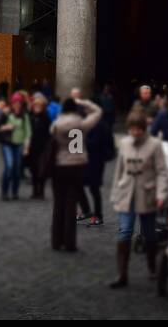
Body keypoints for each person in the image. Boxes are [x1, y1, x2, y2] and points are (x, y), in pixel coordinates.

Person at [108, 110, 168, 288]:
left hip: (147, 194)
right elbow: (119, 170)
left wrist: (161, 194)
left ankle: (152, 268)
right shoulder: (125, 143)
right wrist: (115, 193)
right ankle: (122, 275)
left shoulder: (155, 144)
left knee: (149, 233)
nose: (135, 132)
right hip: (126, 193)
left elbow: (162, 172)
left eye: (139, 129)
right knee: (125, 231)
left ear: (144, 128)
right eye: (132, 129)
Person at [49, 92, 103, 251]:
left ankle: (56, 241)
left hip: (60, 165)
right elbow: (98, 112)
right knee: (71, 204)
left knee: (58, 204)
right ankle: (69, 242)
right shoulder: (82, 123)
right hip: (77, 166)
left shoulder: (57, 124)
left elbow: (52, 137)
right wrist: (83, 101)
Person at [77, 88, 115, 225]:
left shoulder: (100, 123)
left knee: (94, 188)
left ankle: (98, 216)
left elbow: (95, 142)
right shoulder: (87, 120)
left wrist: (83, 139)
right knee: (78, 184)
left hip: (96, 160)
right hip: (85, 159)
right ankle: (86, 210)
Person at [0, 92, 31, 201]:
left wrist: (26, 147)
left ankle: (15, 192)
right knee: (9, 166)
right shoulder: (7, 114)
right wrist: (6, 127)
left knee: (16, 170)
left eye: (19, 102)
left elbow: (28, 132)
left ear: (21, 104)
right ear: (11, 103)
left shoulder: (24, 115)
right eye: (15, 102)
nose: (17, 104)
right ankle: (4, 191)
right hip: (7, 143)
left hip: (19, 144)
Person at [25, 92, 52, 198]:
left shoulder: (46, 118)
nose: (37, 107)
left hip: (43, 147)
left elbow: (49, 134)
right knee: (33, 169)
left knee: (42, 170)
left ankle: (41, 191)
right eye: (35, 105)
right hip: (32, 147)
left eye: (39, 105)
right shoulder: (30, 117)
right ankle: (34, 190)